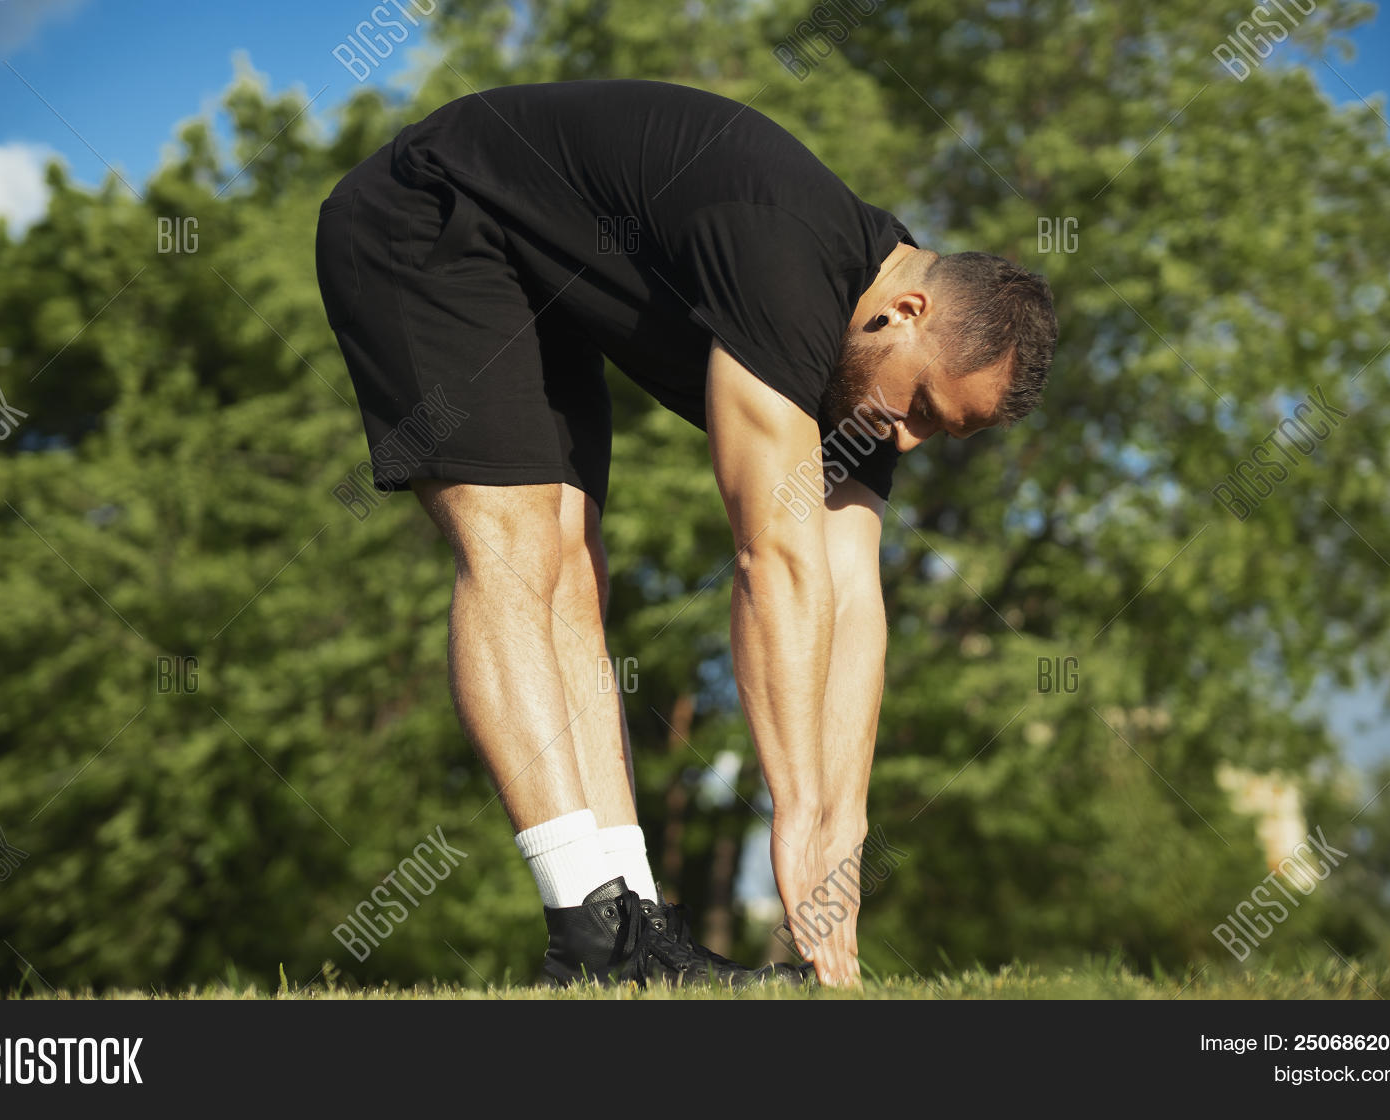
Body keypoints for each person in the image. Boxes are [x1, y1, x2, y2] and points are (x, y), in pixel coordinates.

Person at [315, 78, 1057, 987]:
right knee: (516, 542)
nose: (908, 439)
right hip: (427, 218)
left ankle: (632, 933)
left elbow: (852, 590)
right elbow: (774, 554)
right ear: (908, 313)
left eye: (941, 432)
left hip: (535, 274)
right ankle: (587, 932)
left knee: (576, 570)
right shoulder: (789, 262)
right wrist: (794, 808)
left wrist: (845, 825)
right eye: (923, 411)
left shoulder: (871, 355)